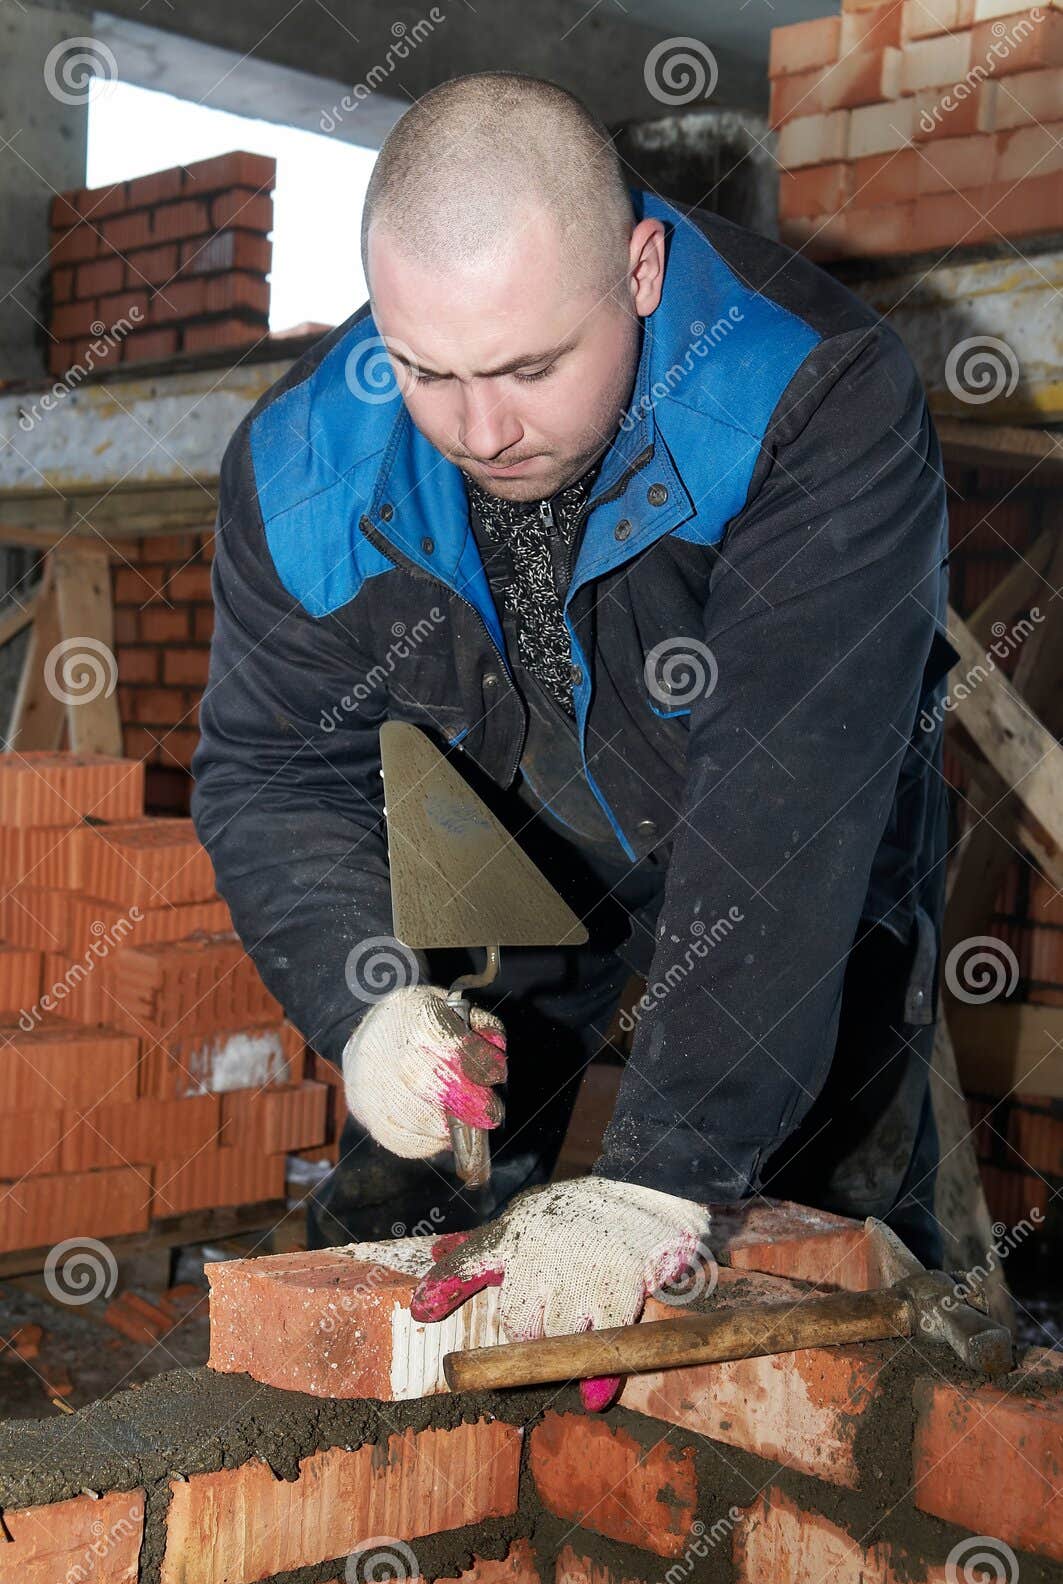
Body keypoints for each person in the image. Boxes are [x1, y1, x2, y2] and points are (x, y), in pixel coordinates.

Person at [191, 72, 955, 1398]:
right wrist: (365, 1003)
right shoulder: (303, 465)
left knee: (825, 1258)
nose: (483, 431)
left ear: (642, 271)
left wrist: (659, 1181)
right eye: (428, 368)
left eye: (533, 368)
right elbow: (269, 767)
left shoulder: (810, 398)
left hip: (794, 849)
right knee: (413, 1209)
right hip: (518, 843)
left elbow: (785, 805)